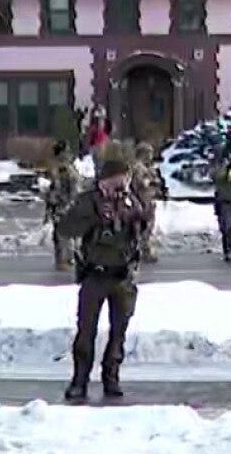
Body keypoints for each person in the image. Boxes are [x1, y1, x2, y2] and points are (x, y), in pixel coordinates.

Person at [57, 148, 150, 401]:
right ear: (104, 181)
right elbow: (66, 228)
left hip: (123, 277)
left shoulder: (132, 200)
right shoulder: (89, 201)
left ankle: (111, 377)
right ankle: (79, 381)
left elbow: (143, 226)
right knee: (86, 332)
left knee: (119, 333)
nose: (121, 186)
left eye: (125, 180)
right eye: (117, 181)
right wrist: (95, 215)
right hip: (95, 275)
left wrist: (135, 213)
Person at [44, 140, 81, 272]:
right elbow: (59, 188)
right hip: (64, 205)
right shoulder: (62, 169)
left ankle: (66, 259)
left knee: (64, 234)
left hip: (65, 205)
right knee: (63, 234)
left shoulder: (64, 168)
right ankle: (64, 259)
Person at [130, 143, 166, 264]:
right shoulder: (138, 168)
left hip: (148, 201)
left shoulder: (147, 167)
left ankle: (144, 251)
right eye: (148, 153)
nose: (150, 156)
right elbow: (140, 184)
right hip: (141, 201)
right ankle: (141, 252)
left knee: (147, 228)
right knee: (143, 229)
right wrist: (152, 182)